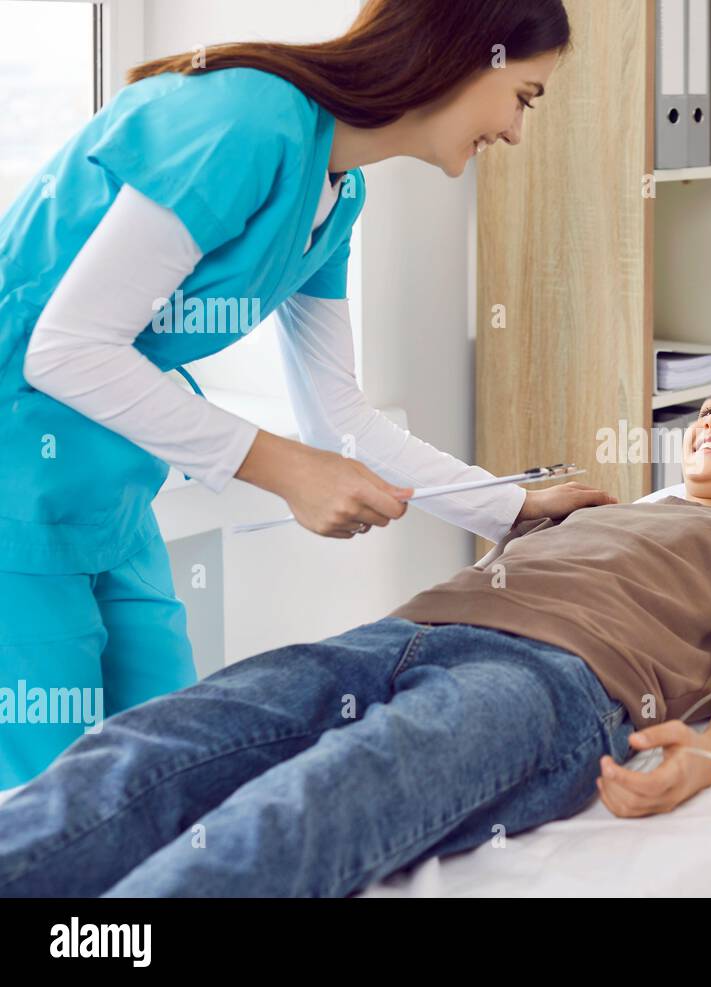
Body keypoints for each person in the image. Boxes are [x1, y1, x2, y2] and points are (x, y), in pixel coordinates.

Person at [0, 0, 613, 788]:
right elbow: (68, 347)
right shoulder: (246, 119)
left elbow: (340, 419)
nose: (517, 133)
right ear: (465, 50)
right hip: (17, 493)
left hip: (110, 490)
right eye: (525, 97)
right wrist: (286, 470)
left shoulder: (338, 195)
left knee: (175, 769)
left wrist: (506, 506)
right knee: (51, 803)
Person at [0, 369, 711, 897]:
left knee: (308, 805)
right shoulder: (600, 511)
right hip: (398, 635)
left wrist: (709, 755)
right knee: (153, 746)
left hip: (551, 684)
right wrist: (526, 514)